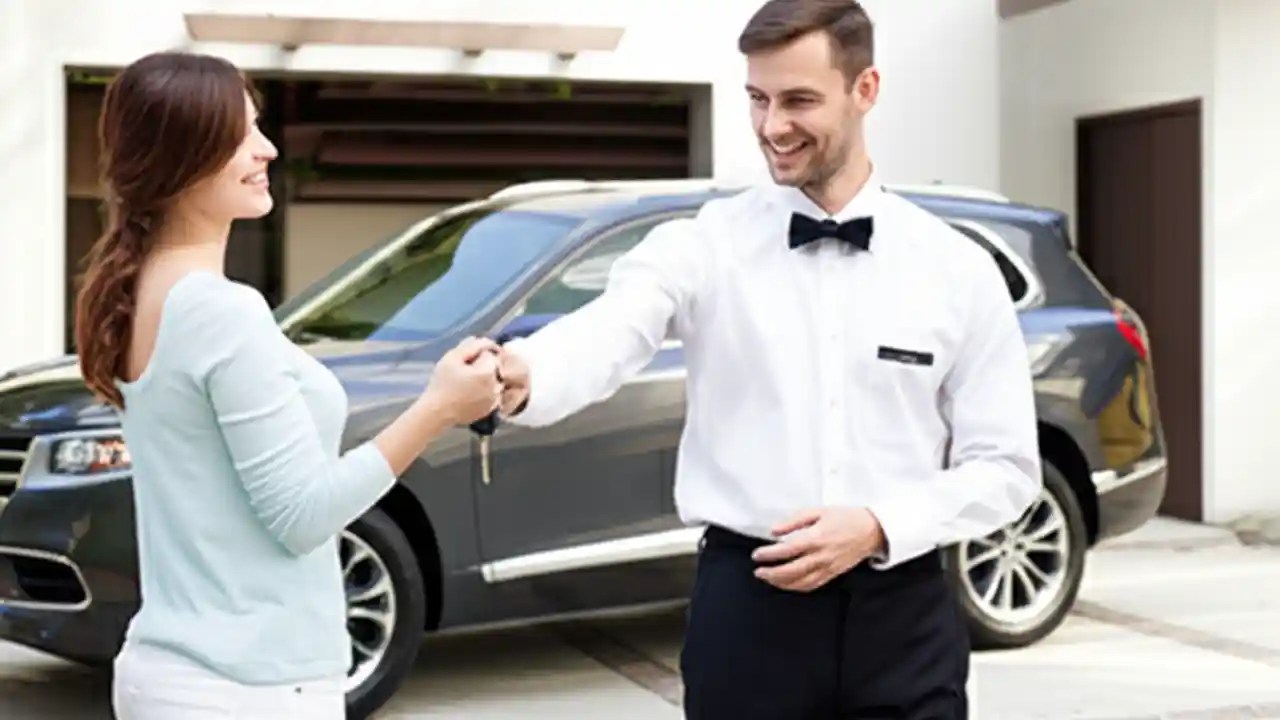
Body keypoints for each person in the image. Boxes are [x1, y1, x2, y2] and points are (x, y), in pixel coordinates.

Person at [494, 0, 1041, 717]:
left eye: (798, 101)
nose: (771, 126)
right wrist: (524, 373)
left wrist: (878, 524)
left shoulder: (957, 270)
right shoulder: (705, 244)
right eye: (758, 98)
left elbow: (1006, 468)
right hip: (748, 615)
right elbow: (612, 328)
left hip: (905, 619)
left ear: (865, 90)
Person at [74, 52, 502, 719]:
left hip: (184, 675)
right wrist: (439, 408)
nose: (267, 149)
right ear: (181, 153)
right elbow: (302, 517)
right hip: (245, 689)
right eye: (240, 135)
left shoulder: (141, 290)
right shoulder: (218, 308)